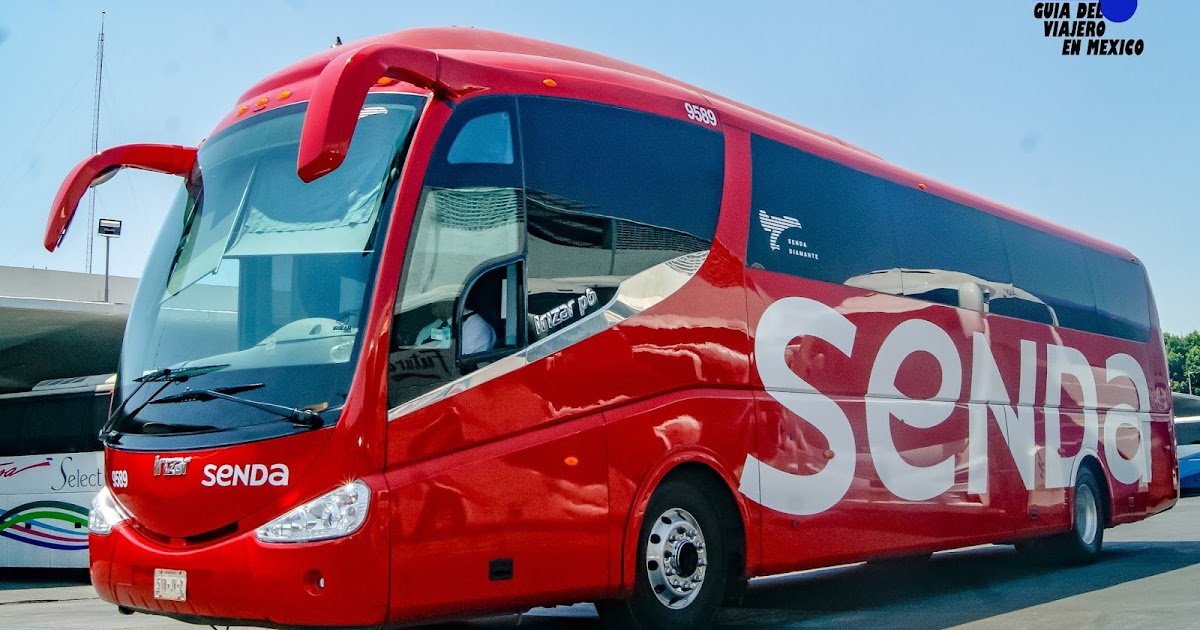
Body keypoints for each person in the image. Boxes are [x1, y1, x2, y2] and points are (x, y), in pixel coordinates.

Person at [414, 301, 496, 355]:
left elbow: (461, 361)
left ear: (449, 302)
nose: (433, 312)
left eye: (435, 306)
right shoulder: (441, 322)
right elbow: (421, 339)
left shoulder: (476, 327)